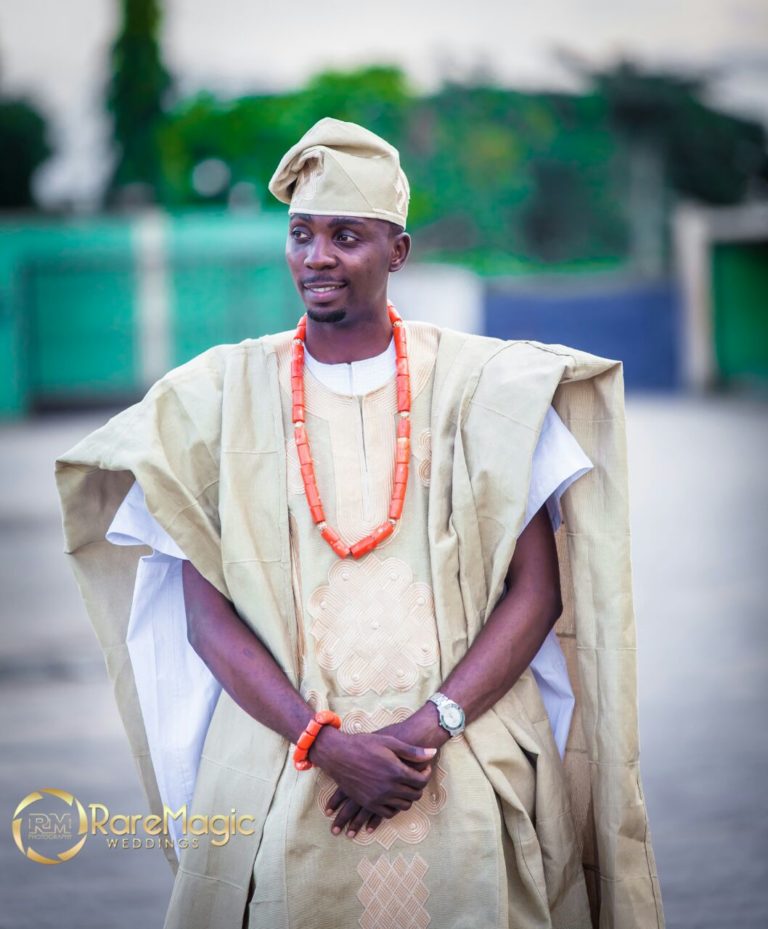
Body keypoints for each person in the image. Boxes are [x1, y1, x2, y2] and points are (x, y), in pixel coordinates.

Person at [56, 118, 663, 928]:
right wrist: (326, 744)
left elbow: (537, 591)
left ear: (398, 251)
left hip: (462, 758)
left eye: (346, 236)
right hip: (283, 767)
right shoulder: (217, 398)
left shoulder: (479, 387)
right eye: (301, 235)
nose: (317, 257)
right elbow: (205, 617)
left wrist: (426, 728)